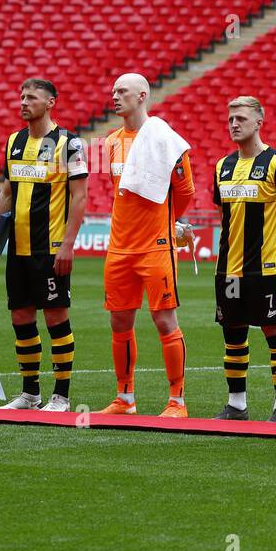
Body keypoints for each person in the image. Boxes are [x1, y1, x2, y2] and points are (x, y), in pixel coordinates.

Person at [0, 78, 88, 412]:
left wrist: (68, 244)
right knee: (20, 315)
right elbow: (5, 192)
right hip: (19, 247)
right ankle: (30, 393)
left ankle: (61, 395)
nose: (23, 102)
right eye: (21, 96)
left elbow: (79, 196)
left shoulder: (69, 143)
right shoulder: (14, 141)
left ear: (51, 102)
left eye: (31, 97)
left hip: (51, 247)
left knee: (56, 315)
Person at [96, 73, 195, 417]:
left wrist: (167, 224)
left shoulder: (164, 139)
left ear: (142, 96)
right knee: (119, 322)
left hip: (156, 245)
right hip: (120, 246)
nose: (115, 96)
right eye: (113, 91)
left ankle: (177, 401)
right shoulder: (110, 142)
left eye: (122, 91)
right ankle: (125, 398)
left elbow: (185, 192)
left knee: (164, 320)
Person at [210, 96, 276, 423]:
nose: (234, 123)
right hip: (228, 269)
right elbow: (225, 216)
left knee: (274, 331)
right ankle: (236, 404)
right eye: (231, 118)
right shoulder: (222, 166)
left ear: (258, 122)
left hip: (264, 268)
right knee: (233, 333)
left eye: (241, 118)